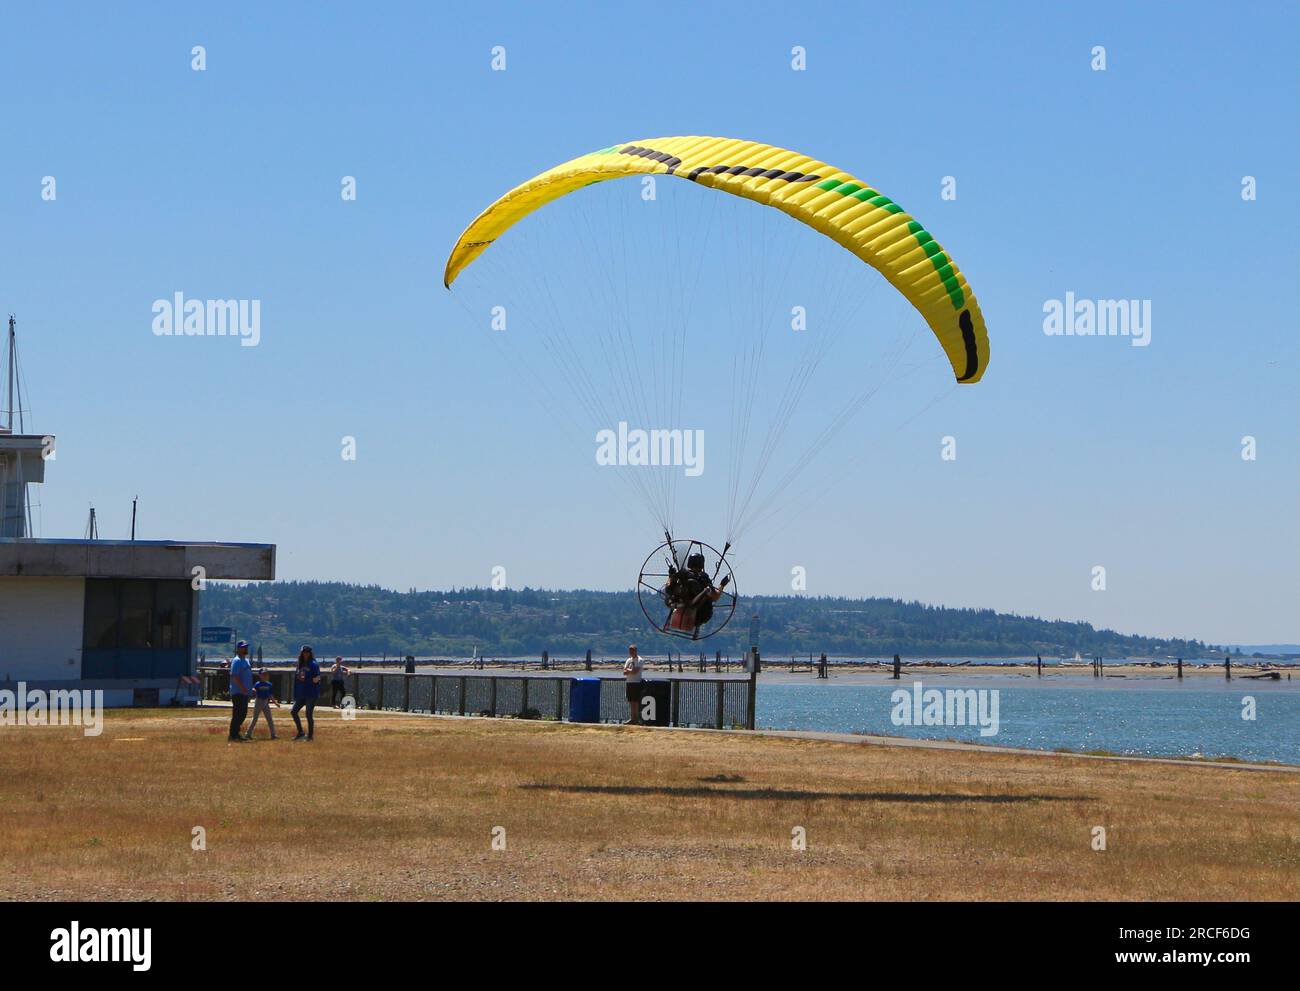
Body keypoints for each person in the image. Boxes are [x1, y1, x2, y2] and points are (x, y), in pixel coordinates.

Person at [664, 552, 730, 635]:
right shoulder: (703, 578)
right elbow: (715, 597)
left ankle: (673, 617)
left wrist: (671, 576)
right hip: (699, 616)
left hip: (680, 607)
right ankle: (695, 625)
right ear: (702, 565)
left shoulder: (682, 574)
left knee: (673, 590)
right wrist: (722, 584)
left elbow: (668, 588)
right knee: (707, 593)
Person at [291, 645, 322, 741]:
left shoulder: (313, 664)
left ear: (310, 653)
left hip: (311, 693)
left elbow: (317, 678)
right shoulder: (300, 664)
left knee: (308, 714)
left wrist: (311, 680)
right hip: (301, 693)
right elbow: (297, 678)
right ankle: (300, 732)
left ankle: (310, 736)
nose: (305, 654)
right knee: (293, 712)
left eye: (307, 652)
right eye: (304, 652)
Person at [228, 640, 254, 742]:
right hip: (238, 692)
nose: (245, 649)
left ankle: (236, 733)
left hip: (245, 692)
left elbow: (246, 675)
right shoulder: (237, 660)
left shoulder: (246, 661)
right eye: (243, 647)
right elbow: (234, 676)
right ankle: (233, 735)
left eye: (246, 647)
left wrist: (250, 688)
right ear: (238, 649)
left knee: (243, 713)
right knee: (238, 713)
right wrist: (242, 687)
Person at [245, 668, 280, 740]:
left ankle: (273, 734)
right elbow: (253, 690)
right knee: (255, 718)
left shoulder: (269, 684)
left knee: (269, 719)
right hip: (259, 701)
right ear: (260, 675)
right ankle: (248, 734)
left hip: (265, 702)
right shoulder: (258, 684)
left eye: (266, 674)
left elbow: (270, 695)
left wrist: (275, 702)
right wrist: (253, 690)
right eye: (263, 674)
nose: (265, 676)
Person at [623, 644, 644, 725]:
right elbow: (624, 672)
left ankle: (637, 719)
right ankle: (632, 718)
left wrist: (629, 670)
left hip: (636, 683)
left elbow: (635, 672)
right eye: (630, 650)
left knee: (636, 701)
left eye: (632, 650)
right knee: (631, 701)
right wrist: (630, 670)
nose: (631, 652)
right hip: (629, 683)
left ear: (636, 651)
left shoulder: (640, 660)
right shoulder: (628, 660)